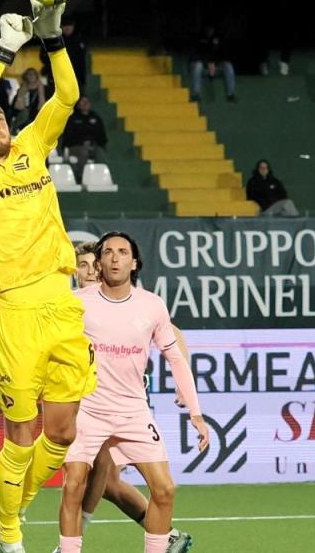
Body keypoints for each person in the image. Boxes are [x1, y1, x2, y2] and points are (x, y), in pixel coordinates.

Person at [0, 4, 94, 553]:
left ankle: (12, 507)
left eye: (2, 119)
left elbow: (64, 97)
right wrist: (4, 51)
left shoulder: (33, 148)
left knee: (61, 435)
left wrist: (53, 39)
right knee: (21, 433)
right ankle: (9, 534)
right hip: (15, 312)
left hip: (62, 304)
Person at [56, 232, 209, 553]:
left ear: (134, 262)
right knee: (76, 485)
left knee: (164, 488)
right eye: (107, 252)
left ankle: (161, 542)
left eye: (122, 252)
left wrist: (195, 410)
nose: (114, 258)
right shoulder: (77, 303)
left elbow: (174, 349)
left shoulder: (151, 305)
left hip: (133, 412)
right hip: (89, 411)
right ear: (99, 264)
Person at [62, 97, 108, 182]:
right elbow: (68, 137)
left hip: (93, 146)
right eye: (82, 102)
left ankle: (100, 178)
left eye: (87, 102)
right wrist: (82, 143)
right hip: (76, 146)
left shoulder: (96, 118)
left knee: (100, 153)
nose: (85, 104)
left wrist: (94, 144)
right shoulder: (72, 119)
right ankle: (81, 177)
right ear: (78, 105)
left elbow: (102, 136)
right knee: (83, 152)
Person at [189, 25, 236, 103]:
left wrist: (214, 64)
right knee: (198, 66)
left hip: (214, 67)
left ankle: (230, 95)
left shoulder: (217, 40)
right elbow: (195, 57)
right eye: (208, 29)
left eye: (211, 29)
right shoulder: (199, 40)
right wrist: (207, 64)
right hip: (201, 67)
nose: (209, 31)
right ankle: (196, 94)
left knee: (228, 66)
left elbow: (223, 56)